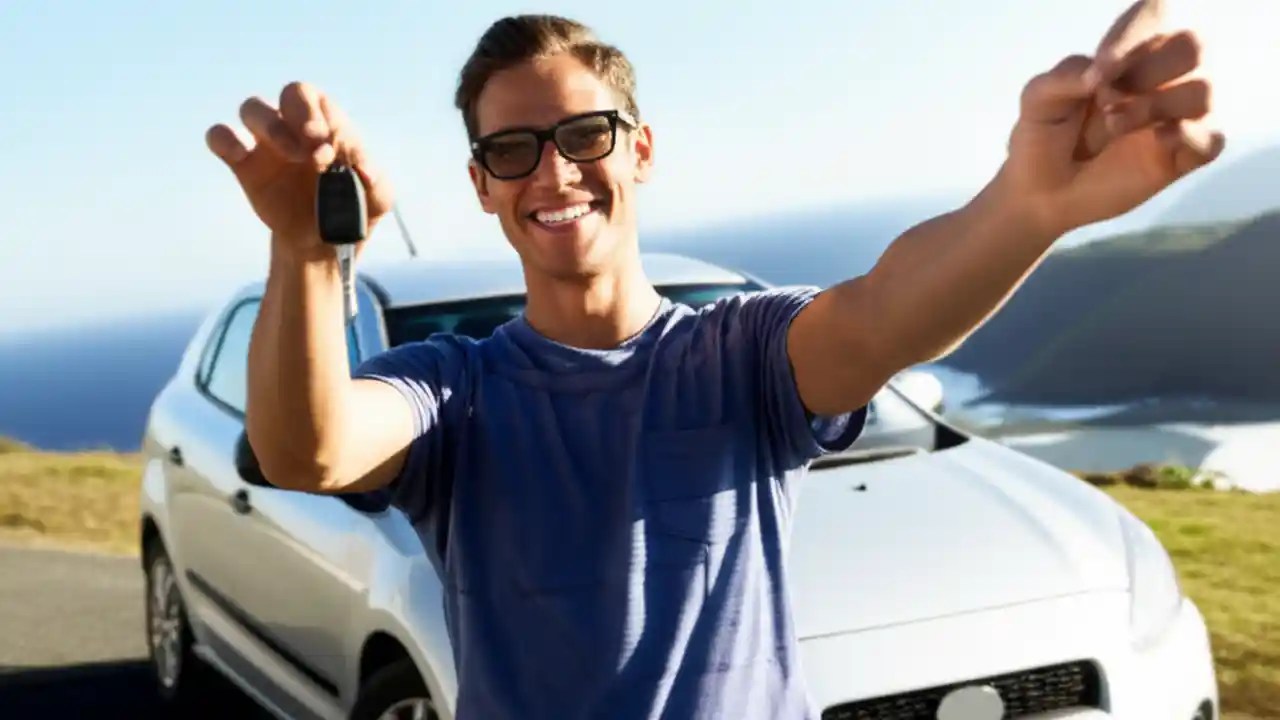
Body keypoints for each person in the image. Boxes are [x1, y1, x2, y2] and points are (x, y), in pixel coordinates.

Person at [205, 3, 1222, 718]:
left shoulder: (737, 354)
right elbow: (310, 450)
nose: (552, 171)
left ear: (638, 150)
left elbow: (881, 317)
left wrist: (1026, 204)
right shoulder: (453, 387)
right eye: (512, 150)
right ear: (481, 184)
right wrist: (307, 250)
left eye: (582, 135)